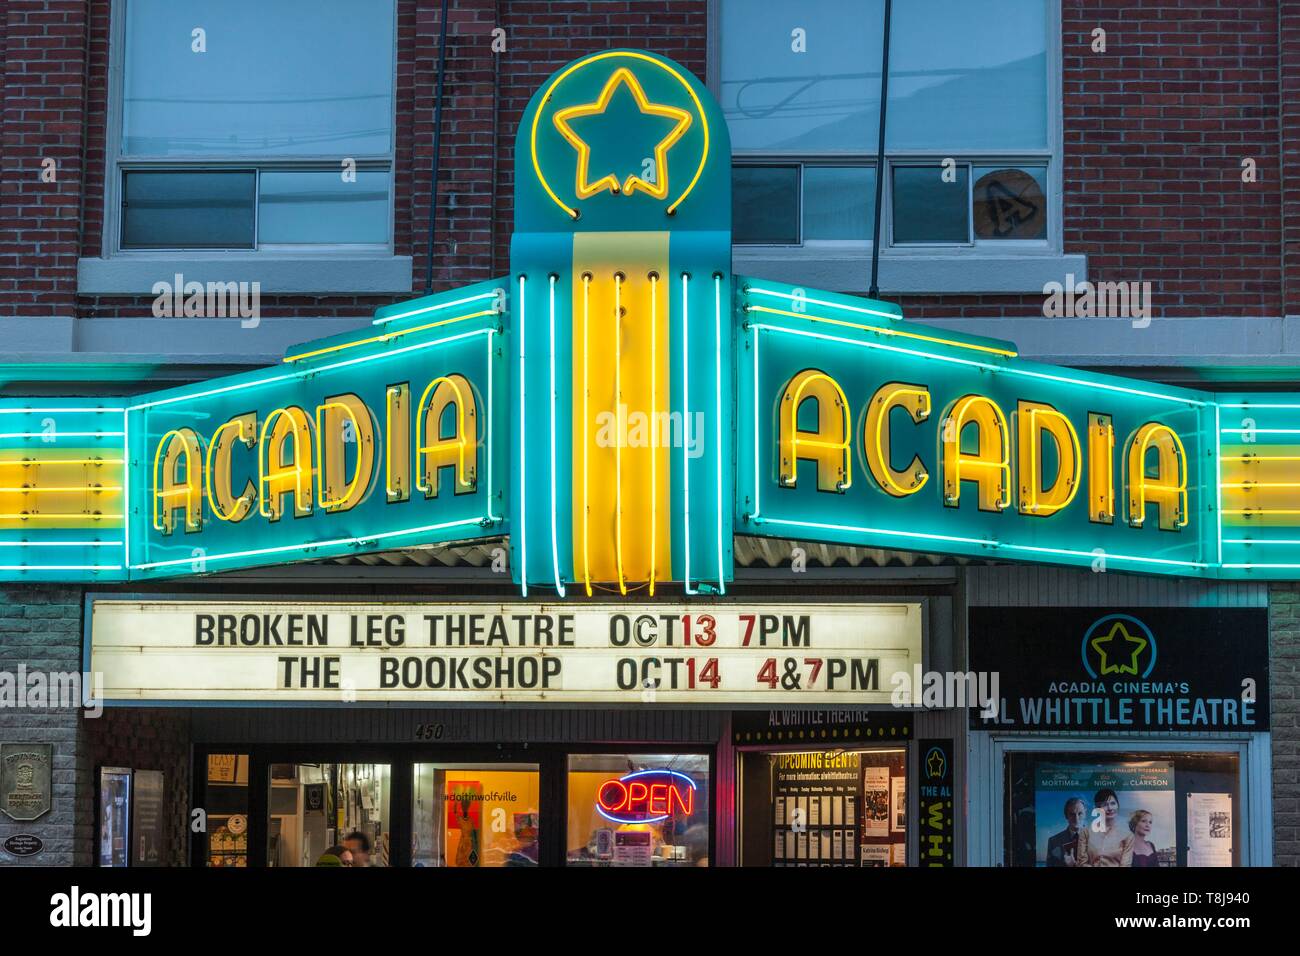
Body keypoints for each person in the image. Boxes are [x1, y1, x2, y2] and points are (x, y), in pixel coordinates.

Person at [1076, 788, 1133, 867]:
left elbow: (1125, 865)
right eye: (1104, 804)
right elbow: (1081, 863)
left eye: (1113, 803)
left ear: (1118, 805)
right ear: (1097, 808)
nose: (1110, 808)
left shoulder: (1127, 836)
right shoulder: (1086, 832)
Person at [1045, 797, 1086, 867]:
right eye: (1072, 814)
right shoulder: (1053, 841)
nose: (1076, 818)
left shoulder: (1095, 840)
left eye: (1080, 813)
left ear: (1085, 814)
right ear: (1066, 815)